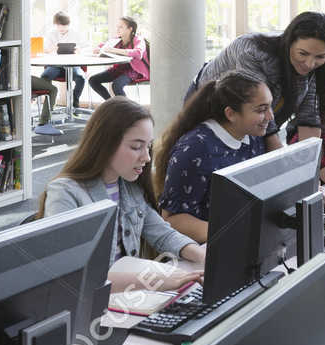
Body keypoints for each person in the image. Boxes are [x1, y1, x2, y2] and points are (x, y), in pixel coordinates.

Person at [40, 96, 204, 292]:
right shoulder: (65, 193)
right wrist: (157, 280)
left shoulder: (130, 188)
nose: (147, 157)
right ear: (105, 144)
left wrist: (202, 257)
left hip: (125, 294)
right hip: (91, 301)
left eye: (148, 146)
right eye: (136, 147)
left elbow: (163, 234)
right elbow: (71, 275)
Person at [189, 11, 325, 152]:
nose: (309, 64)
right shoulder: (252, 52)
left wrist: (309, 165)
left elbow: (309, 119)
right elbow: (258, 108)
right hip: (213, 107)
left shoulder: (314, 68)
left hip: (258, 117)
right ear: (289, 41)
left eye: (319, 57)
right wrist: (284, 166)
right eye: (302, 54)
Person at [154, 70, 274, 243]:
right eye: (261, 110)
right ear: (230, 114)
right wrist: (237, 234)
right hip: (204, 251)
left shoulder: (252, 136)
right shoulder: (196, 148)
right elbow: (173, 219)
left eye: (270, 106)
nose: (270, 117)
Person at [86, 16, 151, 103]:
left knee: (116, 85)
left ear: (130, 29)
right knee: (93, 80)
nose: (117, 29)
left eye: (121, 27)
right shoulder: (117, 40)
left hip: (135, 70)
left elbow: (138, 53)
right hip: (119, 69)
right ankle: (111, 104)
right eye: (117, 27)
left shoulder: (138, 39)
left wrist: (113, 50)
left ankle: (127, 110)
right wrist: (97, 48)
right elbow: (103, 45)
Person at [38, 11, 83, 109]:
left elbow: (85, 48)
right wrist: (52, 49)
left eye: (64, 25)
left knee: (81, 78)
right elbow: (44, 50)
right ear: (55, 25)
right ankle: (49, 106)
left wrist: (79, 50)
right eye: (59, 25)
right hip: (56, 65)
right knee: (45, 76)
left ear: (68, 24)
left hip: (72, 64)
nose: (61, 28)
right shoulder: (51, 34)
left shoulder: (75, 33)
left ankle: (74, 102)